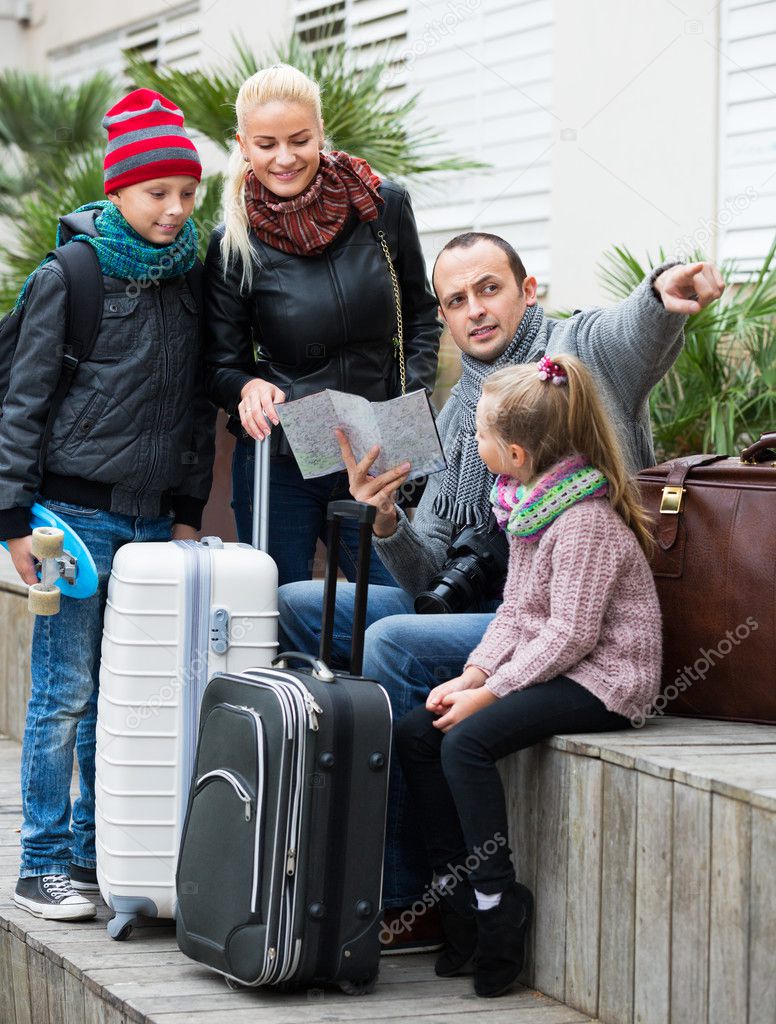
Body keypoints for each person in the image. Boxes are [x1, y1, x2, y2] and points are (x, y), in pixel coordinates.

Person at [278, 231, 725, 949]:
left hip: (572, 617)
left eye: (490, 288)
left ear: (528, 289)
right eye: (456, 300)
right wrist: (387, 518)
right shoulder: (451, 416)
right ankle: (313, 847)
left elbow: (636, 324)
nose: (476, 310)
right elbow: (430, 581)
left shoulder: (577, 350)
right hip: (494, 611)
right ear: (444, 317)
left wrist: (666, 292)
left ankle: (399, 892)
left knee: (391, 641)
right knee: (301, 605)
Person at [0, 88, 214, 920]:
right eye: (156, 192)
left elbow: (200, 404)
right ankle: (41, 861)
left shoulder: (194, 276)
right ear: (117, 190)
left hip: (153, 521)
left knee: (121, 694)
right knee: (63, 692)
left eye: (187, 192)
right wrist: (14, 519)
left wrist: (189, 507)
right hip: (72, 516)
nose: (173, 208)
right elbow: (22, 403)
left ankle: (93, 853)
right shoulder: (72, 274)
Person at [395, 353, 662, 997]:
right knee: (416, 733)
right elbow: (518, 611)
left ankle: (498, 904)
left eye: (480, 434)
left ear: (513, 451)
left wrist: (490, 695)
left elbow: (571, 635)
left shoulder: (584, 521)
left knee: (466, 742)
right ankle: (455, 896)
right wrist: (473, 675)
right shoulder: (526, 508)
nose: (473, 442)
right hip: (561, 662)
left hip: (608, 678)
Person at [203, 63, 440, 585]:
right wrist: (247, 387)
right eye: (266, 144)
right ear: (243, 145)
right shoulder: (231, 241)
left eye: (299, 140)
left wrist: (407, 406)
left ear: (321, 134)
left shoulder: (382, 205)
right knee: (279, 610)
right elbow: (220, 364)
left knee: (390, 607)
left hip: (380, 449)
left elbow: (422, 315)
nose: (284, 158)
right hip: (284, 457)